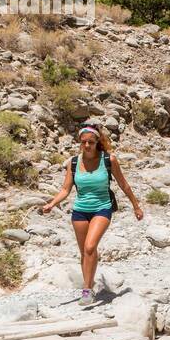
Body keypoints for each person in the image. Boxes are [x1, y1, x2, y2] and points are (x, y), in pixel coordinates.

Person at [41, 124, 143, 306]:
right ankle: (90, 285)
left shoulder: (109, 160)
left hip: (102, 208)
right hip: (80, 210)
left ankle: (86, 291)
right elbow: (65, 189)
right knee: (85, 253)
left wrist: (136, 206)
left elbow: (124, 185)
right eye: (83, 142)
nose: (87, 145)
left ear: (97, 142)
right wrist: (52, 203)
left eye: (90, 142)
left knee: (90, 247)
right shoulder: (73, 162)